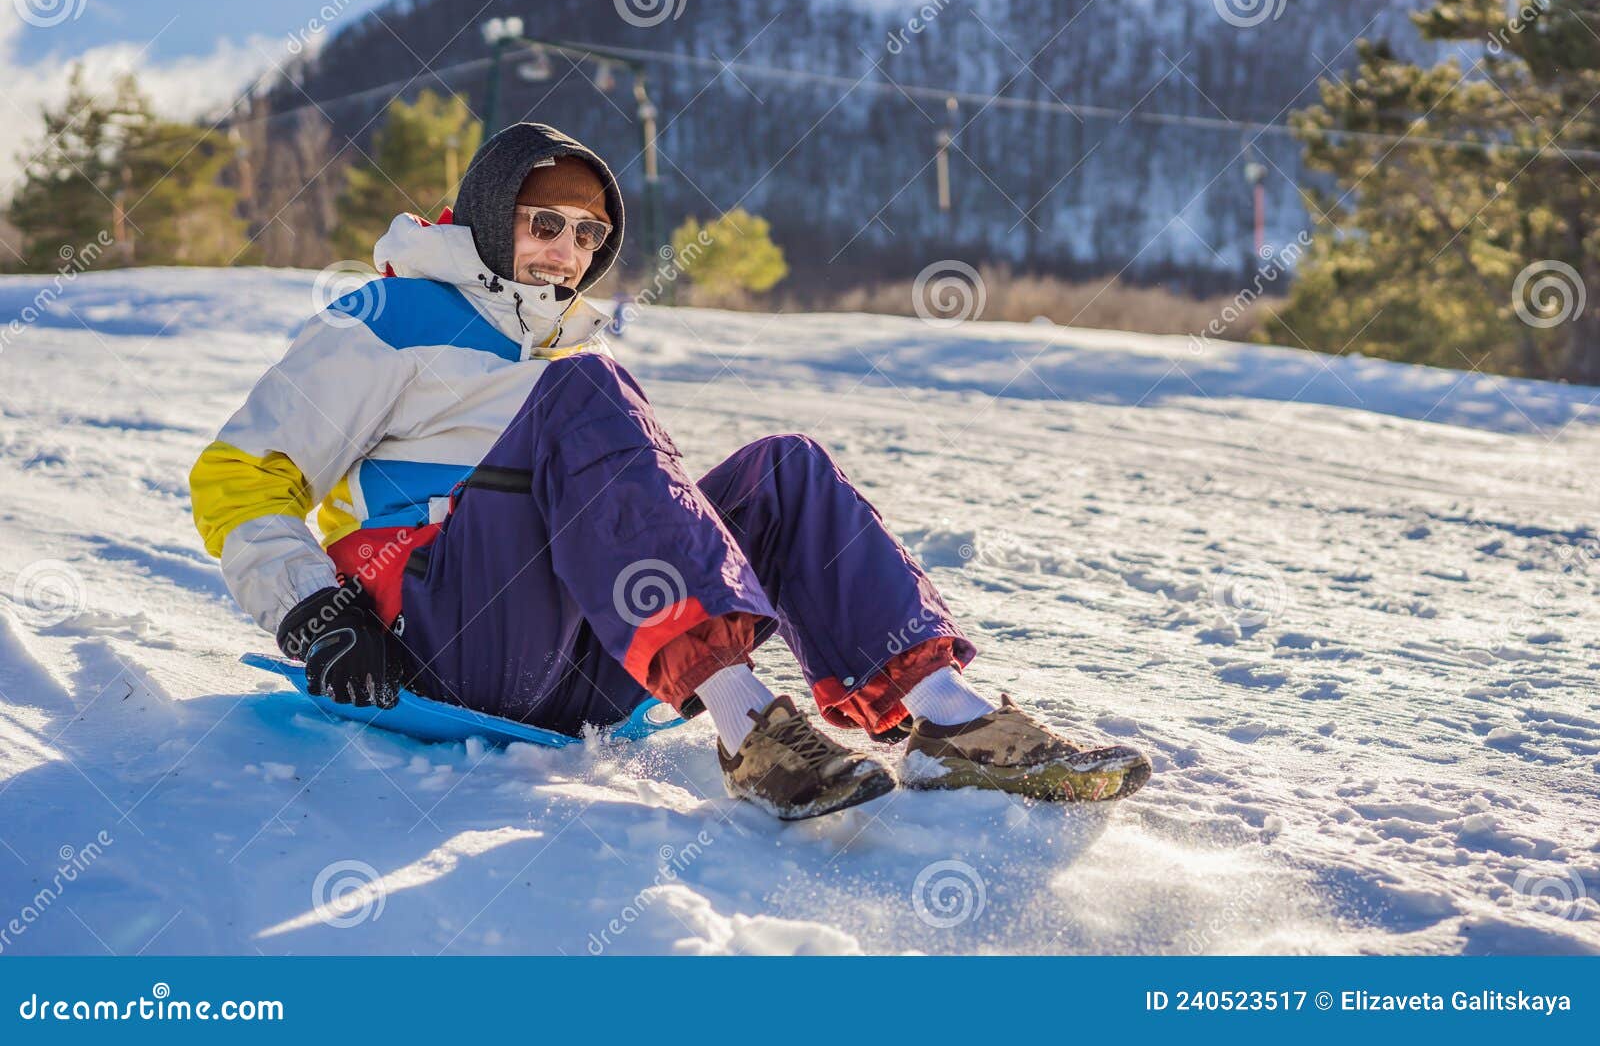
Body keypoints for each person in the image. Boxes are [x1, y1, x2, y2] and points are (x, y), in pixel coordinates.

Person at [189, 122, 1151, 820]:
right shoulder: (389, 317)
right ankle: (746, 726)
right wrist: (314, 612)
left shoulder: (566, 344)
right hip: (437, 637)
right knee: (586, 389)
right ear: (488, 213)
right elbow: (237, 475)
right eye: (544, 221)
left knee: (786, 471)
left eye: (588, 234)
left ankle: (947, 721)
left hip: (577, 671)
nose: (568, 251)